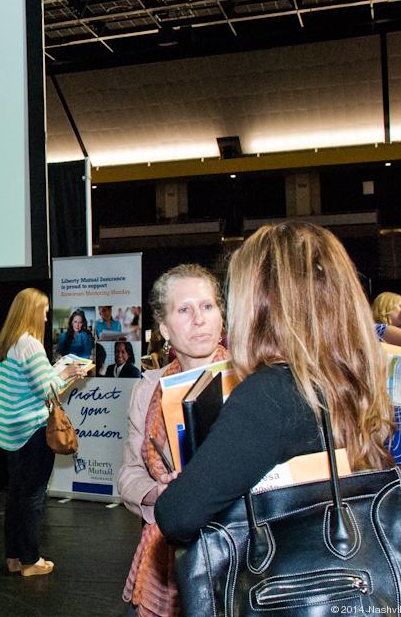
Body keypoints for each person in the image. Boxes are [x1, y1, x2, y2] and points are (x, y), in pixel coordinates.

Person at [155, 222, 395, 546]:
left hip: (288, 589)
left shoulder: (269, 395)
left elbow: (177, 515)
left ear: (260, 306)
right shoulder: (349, 380)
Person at [118, 264, 228, 616]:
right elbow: (129, 474)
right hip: (167, 554)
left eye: (208, 306)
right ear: (164, 328)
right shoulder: (148, 387)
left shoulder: (252, 379)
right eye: (184, 310)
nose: (200, 319)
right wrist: (159, 494)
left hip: (238, 557)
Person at [0, 288, 83, 577]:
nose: (46, 317)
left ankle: (14, 557)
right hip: (32, 430)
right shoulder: (30, 345)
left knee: (16, 495)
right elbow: (46, 389)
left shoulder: (9, 342)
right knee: (32, 496)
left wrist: (55, 374)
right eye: (44, 311)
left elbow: (34, 382)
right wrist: (68, 374)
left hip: (12, 430)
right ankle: (31, 560)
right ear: (32, 311)